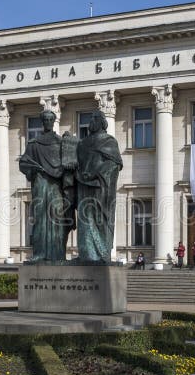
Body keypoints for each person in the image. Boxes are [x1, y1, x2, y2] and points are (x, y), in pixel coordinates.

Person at [19, 110, 77, 262]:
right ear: (42, 122)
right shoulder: (34, 144)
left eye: (51, 119)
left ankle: (57, 254)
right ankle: (39, 254)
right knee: (40, 218)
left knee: (57, 218)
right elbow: (24, 162)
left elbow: (69, 162)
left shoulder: (61, 143)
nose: (48, 122)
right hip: (40, 184)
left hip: (57, 186)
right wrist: (33, 168)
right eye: (45, 119)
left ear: (54, 121)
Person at [75, 110, 123, 262]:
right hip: (83, 186)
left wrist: (96, 173)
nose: (90, 122)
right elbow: (77, 163)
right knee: (84, 220)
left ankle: (101, 255)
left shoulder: (109, 141)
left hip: (101, 187)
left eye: (94, 119)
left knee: (100, 219)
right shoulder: (82, 143)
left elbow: (114, 164)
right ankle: (86, 254)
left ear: (101, 122)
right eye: (90, 119)